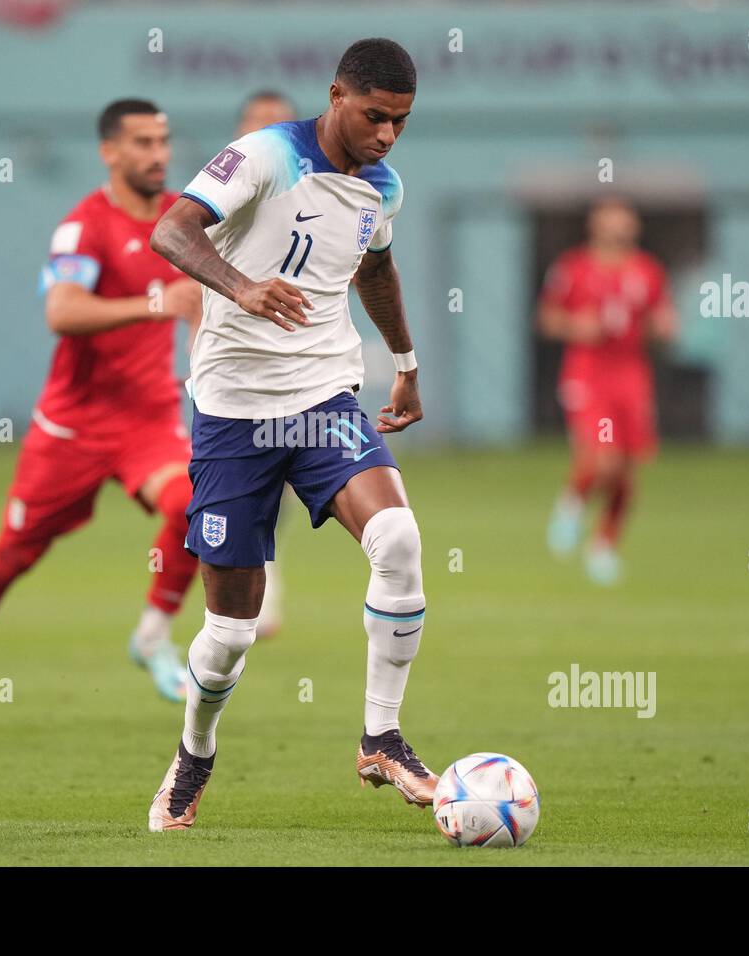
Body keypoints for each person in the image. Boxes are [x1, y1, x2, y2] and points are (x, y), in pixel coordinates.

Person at [145, 38, 436, 831]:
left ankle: (381, 736)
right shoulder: (266, 154)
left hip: (322, 401)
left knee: (401, 540)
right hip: (234, 414)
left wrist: (404, 361)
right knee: (230, 632)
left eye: (401, 123)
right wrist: (243, 288)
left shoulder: (383, 186)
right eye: (375, 116)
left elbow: (375, 268)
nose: (386, 136)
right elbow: (170, 232)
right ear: (337, 95)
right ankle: (195, 753)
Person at [0, 100, 205, 736]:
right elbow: (62, 311)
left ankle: (152, 635)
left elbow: (202, 297)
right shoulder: (83, 226)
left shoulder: (184, 219)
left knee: (194, 507)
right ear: (109, 151)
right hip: (71, 429)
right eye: (140, 142)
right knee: (13, 555)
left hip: (147, 420)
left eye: (162, 140)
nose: (157, 153)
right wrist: (158, 301)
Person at [538, 198, 677, 585]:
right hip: (588, 373)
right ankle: (572, 502)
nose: (620, 224)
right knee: (603, 458)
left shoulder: (647, 270)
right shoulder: (573, 268)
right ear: (596, 223)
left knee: (626, 473)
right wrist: (575, 325)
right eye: (612, 216)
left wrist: (665, 326)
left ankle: (604, 545)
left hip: (631, 375)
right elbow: (548, 318)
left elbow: (658, 317)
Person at [233, 89, 298, 638]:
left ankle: (261, 597)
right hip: (224, 379)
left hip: (296, 374)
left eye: (279, 126)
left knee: (274, 492)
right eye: (257, 124)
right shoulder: (213, 198)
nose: (266, 136)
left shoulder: (319, 200)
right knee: (218, 497)